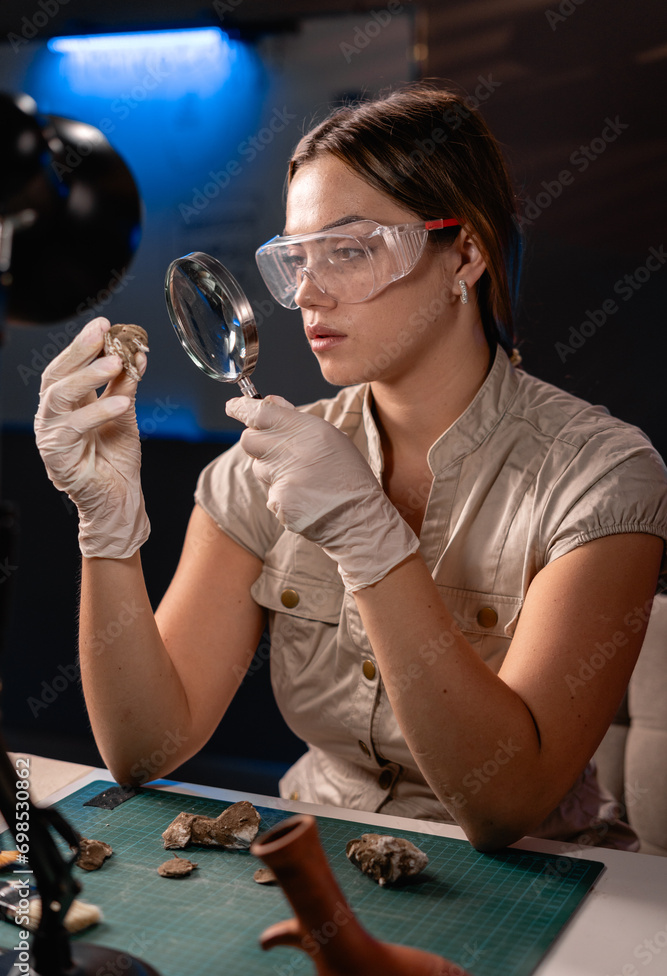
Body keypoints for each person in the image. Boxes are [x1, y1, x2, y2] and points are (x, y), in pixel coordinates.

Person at [35, 84, 667, 852]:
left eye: (350, 249)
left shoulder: (603, 475)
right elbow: (141, 749)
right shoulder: (262, 469)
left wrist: (367, 535)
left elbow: (505, 805)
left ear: (463, 254)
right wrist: (107, 529)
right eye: (295, 257)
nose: (305, 291)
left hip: (546, 890)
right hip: (317, 853)